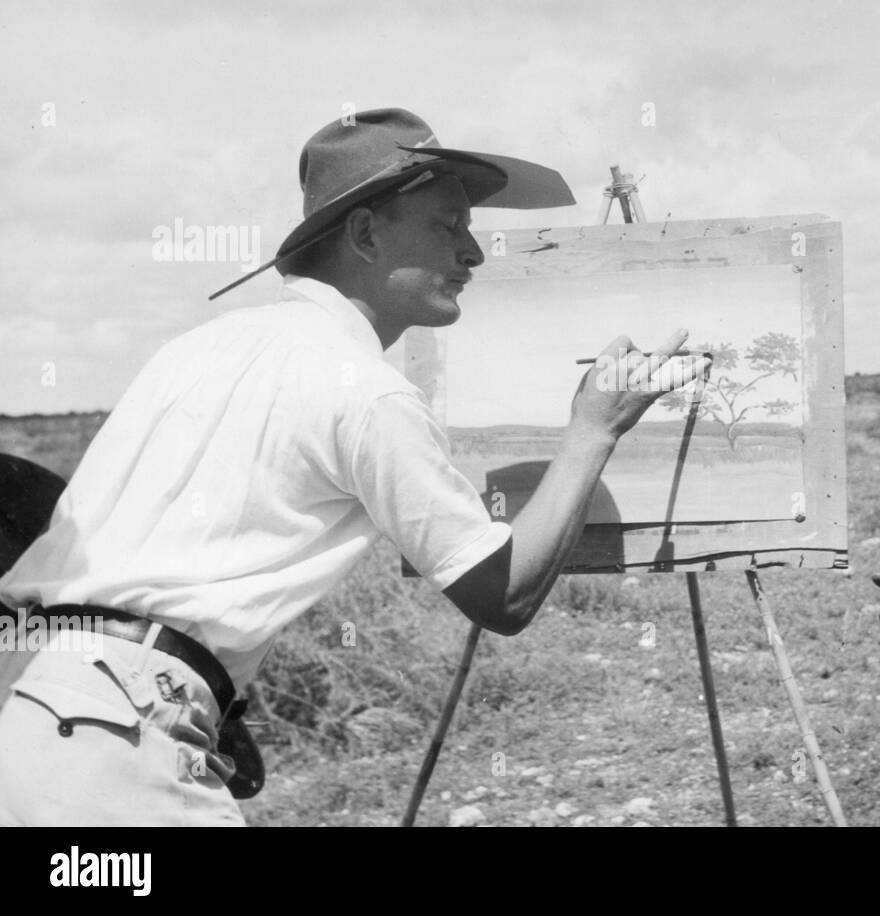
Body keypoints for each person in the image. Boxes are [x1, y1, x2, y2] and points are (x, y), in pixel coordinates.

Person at [0, 107, 705, 825]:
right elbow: (504, 596)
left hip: (25, 707)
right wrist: (593, 431)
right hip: (118, 743)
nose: (474, 254)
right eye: (449, 224)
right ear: (366, 232)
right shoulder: (366, 392)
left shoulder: (195, 349)